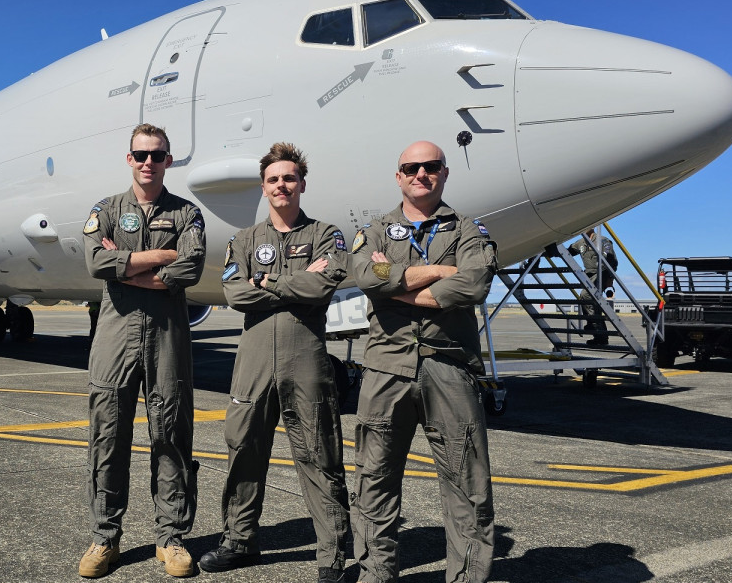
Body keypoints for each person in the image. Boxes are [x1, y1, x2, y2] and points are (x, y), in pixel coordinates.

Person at [346, 141, 497, 583]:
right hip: (386, 368)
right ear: (399, 176)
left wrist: (395, 287)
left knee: (467, 483)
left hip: (449, 366)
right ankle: (376, 574)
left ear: (444, 172)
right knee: (373, 479)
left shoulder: (468, 229)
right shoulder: (375, 231)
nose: (421, 174)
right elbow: (364, 275)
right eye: (411, 168)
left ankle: (467, 577)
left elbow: (474, 285)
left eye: (431, 166)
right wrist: (441, 271)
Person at [201, 142, 350, 583]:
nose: (281, 185)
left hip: (306, 361)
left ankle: (333, 555)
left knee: (320, 454)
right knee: (243, 450)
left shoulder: (326, 235)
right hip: (253, 362)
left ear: (302, 183)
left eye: (289, 178)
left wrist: (265, 282)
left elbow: (323, 287)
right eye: (273, 179)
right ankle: (239, 541)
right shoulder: (244, 239)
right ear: (263, 188)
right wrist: (294, 282)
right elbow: (235, 293)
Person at [78, 123, 206, 578]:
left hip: (167, 339)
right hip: (116, 337)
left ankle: (170, 538)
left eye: (157, 155)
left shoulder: (187, 214)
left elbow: (191, 267)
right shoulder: (106, 210)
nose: (148, 162)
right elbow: (96, 261)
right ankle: (105, 537)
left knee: (171, 434)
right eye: (141, 154)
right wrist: (161, 257)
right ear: (129, 159)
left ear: (168, 160)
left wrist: (127, 267)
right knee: (108, 435)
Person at [568, 228, 618, 345]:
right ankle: (600, 337)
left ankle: (592, 324)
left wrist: (610, 278)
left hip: (602, 274)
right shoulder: (580, 243)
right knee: (593, 304)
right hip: (589, 276)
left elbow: (612, 261)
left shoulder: (603, 241)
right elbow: (568, 252)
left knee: (585, 295)